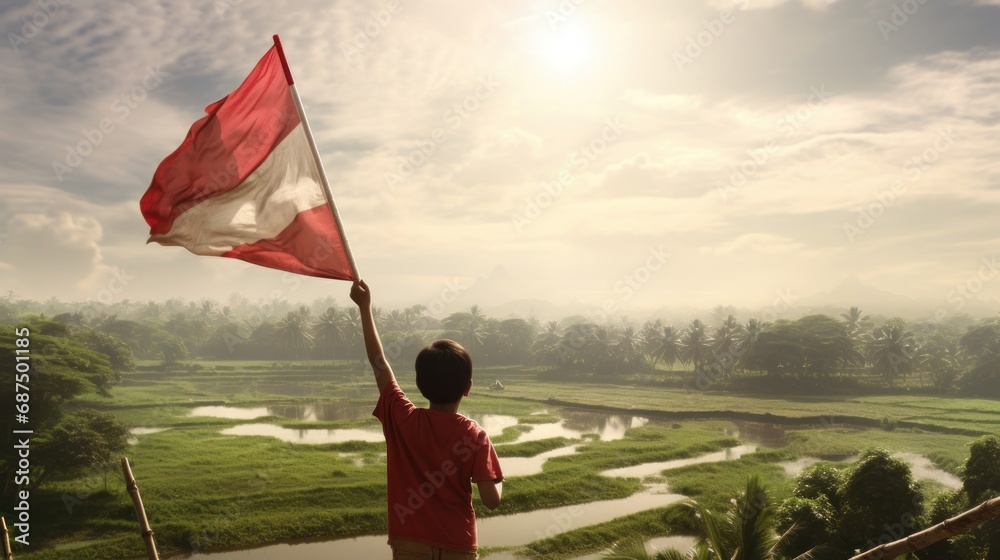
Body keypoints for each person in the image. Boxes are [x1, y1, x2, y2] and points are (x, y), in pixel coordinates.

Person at [350, 279, 504, 560]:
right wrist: (497, 477)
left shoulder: (403, 418)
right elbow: (491, 501)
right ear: (467, 387)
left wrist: (364, 307)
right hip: (459, 546)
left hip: (410, 545)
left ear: (420, 384)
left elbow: (379, 363)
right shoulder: (475, 435)